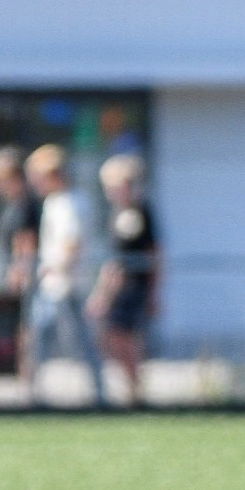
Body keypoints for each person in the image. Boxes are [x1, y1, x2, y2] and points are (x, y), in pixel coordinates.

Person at [24, 144, 106, 407]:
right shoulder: (55, 202)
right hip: (53, 286)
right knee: (38, 340)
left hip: (67, 286)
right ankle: (35, 395)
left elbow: (72, 243)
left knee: (78, 344)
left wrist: (54, 267)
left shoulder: (71, 203)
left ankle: (98, 396)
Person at [90, 152, 160, 405]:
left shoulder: (142, 213)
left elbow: (155, 255)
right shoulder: (117, 214)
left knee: (125, 338)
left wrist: (155, 294)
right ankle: (130, 388)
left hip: (133, 287)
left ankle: (135, 393)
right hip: (117, 287)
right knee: (110, 338)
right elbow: (113, 260)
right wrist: (101, 292)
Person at [0, 147, 40, 384]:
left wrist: (19, 271)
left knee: (29, 334)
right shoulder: (16, 204)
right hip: (22, 279)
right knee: (23, 334)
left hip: (30, 281)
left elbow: (25, 241)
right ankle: (26, 384)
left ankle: (29, 386)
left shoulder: (26, 205)